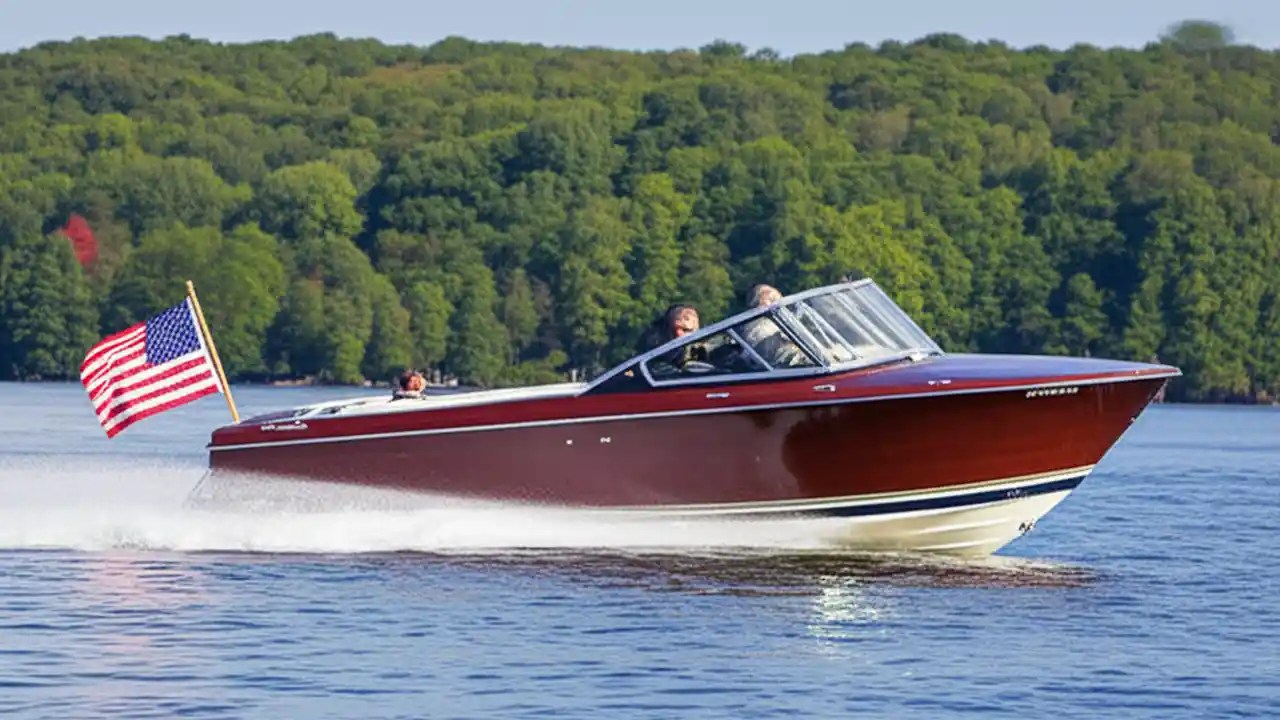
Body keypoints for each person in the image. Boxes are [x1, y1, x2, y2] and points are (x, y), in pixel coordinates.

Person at [738, 283, 813, 368]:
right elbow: (779, 356)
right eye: (773, 300)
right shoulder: (759, 330)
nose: (781, 307)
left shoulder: (780, 323)